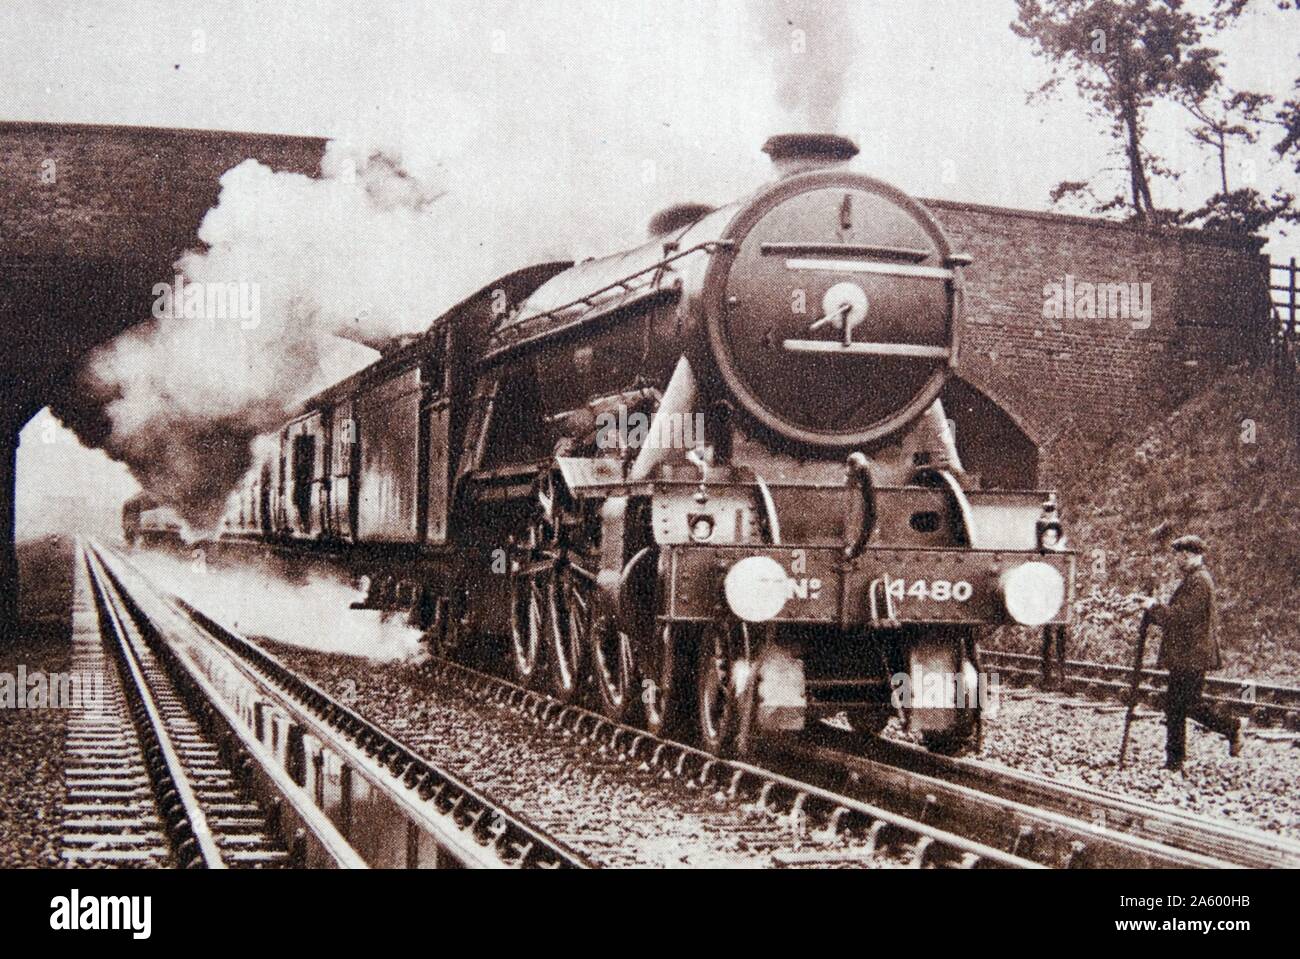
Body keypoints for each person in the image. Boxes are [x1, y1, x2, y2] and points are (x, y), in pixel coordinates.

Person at [1144, 535, 1244, 771]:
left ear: (1188, 555)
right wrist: (1155, 609)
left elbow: (1180, 618)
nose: (1178, 559)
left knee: (1187, 705)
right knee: (1177, 706)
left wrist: (1153, 607)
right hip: (1187, 655)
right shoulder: (1195, 579)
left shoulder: (1199, 582)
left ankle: (1232, 727)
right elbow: (1179, 616)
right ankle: (1174, 760)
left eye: (1180, 554)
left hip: (1192, 655)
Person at [1039, 526, 1068, 689]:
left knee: (1061, 637)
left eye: (1053, 537)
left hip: (1059, 599)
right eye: (1047, 536)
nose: (1049, 539)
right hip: (1046, 600)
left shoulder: (1061, 554)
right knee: (1048, 637)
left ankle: (1061, 675)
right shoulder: (1041, 553)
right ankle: (1046, 676)